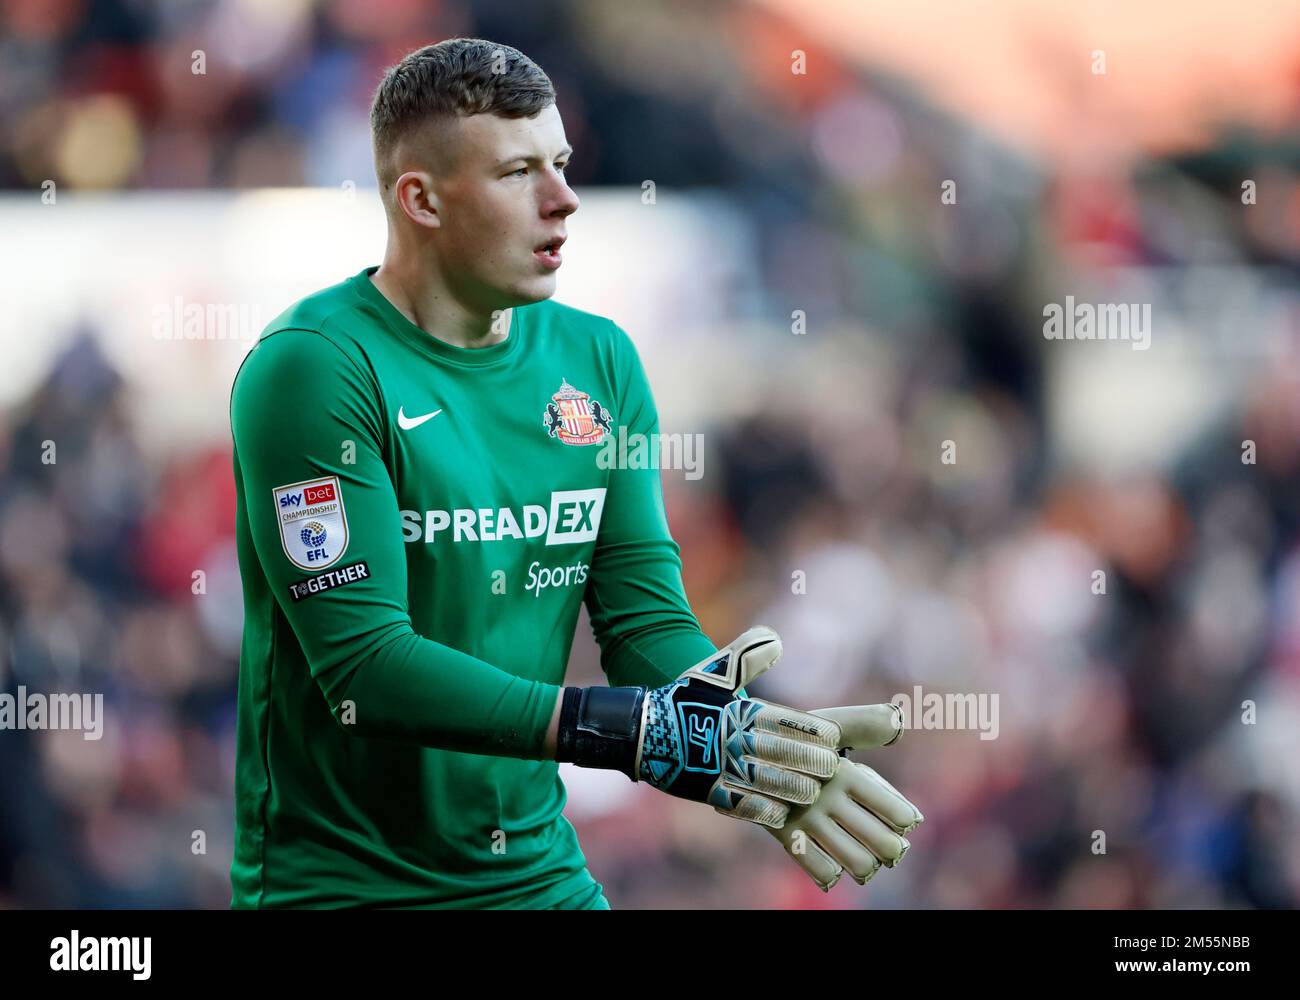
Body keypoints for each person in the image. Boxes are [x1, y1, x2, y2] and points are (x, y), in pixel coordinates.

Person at [228, 37, 921, 909]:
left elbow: (641, 619)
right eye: (519, 174)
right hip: (342, 891)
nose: (563, 201)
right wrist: (614, 730)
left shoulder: (601, 361)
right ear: (421, 199)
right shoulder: (315, 367)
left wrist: (742, 737)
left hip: (538, 880)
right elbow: (366, 668)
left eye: (560, 163)